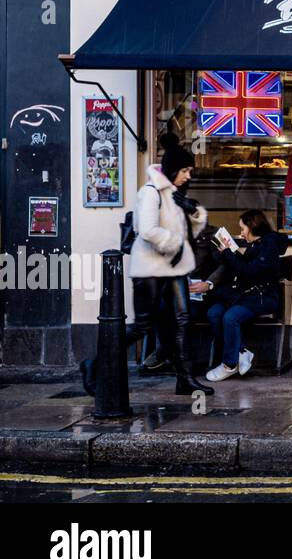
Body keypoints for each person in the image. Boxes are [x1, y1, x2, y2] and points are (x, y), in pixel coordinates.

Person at [81, 142, 214, 396]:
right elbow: (147, 230)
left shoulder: (175, 194)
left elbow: (191, 232)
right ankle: (94, 365)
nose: (189, 175)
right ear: (173, 169)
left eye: (190, 171)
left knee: (183, 321)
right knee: (142, 326)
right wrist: (176, 244)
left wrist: (194, 212)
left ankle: (185, 379)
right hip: (151, 269)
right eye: (185, 170)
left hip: (174, 269)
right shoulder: (151, 192)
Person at [194, 210, 287, 382]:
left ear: (252, 227)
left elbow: (250, 272)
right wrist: (230, 251)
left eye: (243, 228)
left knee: (230, 317)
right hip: (245, 294)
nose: (241, 233)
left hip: (263, 296)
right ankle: (241, 352)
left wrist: (228, 253)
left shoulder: (269, 246)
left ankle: (230, 364)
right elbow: (245, 267)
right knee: (214, 313)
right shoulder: (255, 244)